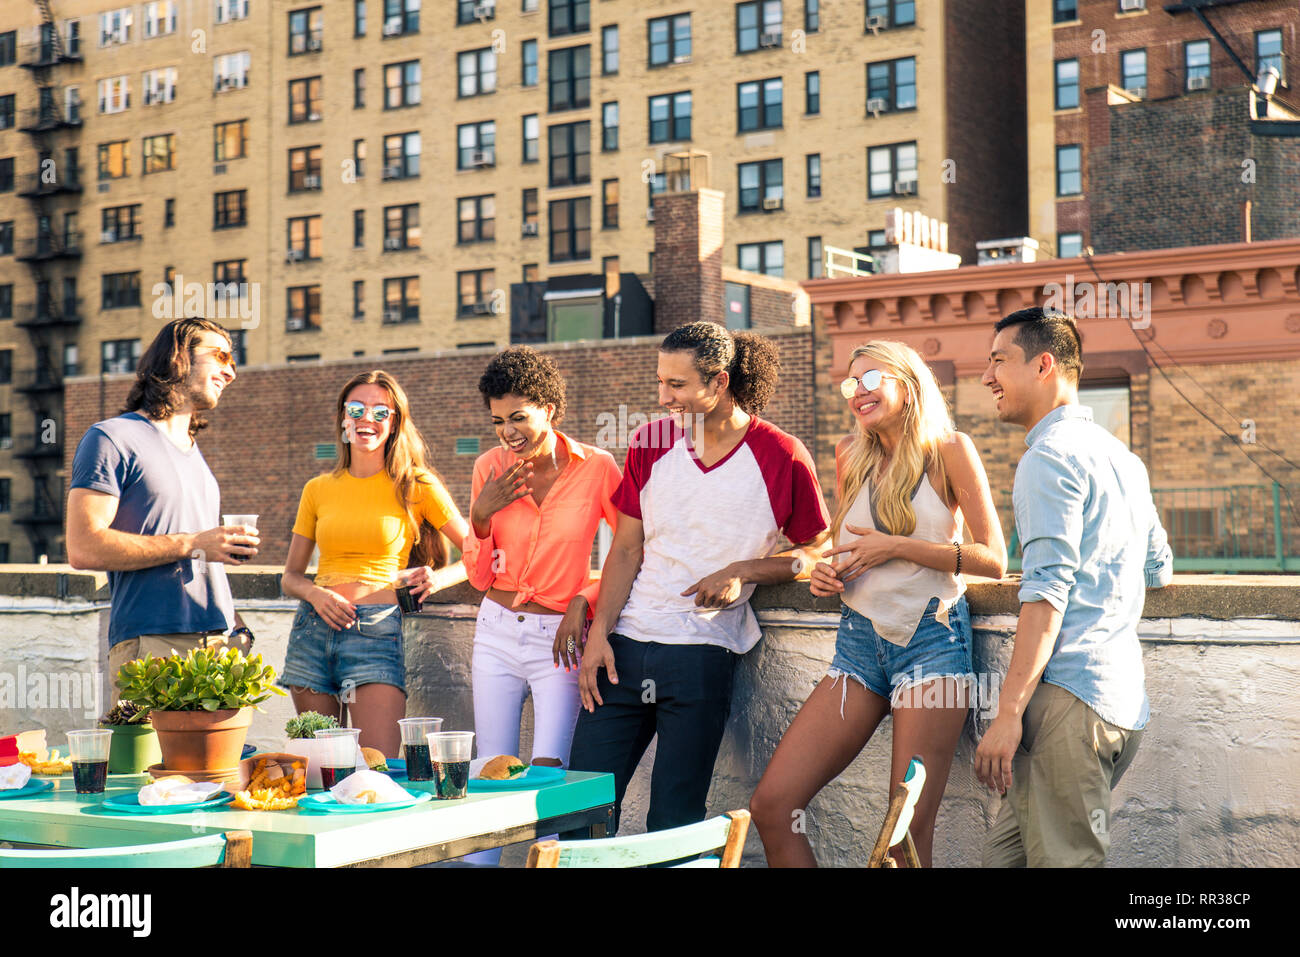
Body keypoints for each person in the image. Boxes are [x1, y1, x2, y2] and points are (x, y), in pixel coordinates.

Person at [750, 340, 1007, 867]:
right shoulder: (851, 454)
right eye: (850, 383)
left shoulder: (949, 450)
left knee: (904, 836)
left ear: (908, 384)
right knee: (773, 806)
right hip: (857, 647)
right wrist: (828, 570)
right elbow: (846, 546)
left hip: (932, 646)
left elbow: (994, 559)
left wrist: (896, 546)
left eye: (871, 380)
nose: (857, 393)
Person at [570, 321, 830, 836]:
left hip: (702, 653)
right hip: (623, 647)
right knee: (581, 806)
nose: (664, 396)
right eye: (661, 382)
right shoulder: (649, 442)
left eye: (678, 385)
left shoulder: (781, 454)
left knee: (673, 817)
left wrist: (745, 570)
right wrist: (599, 633)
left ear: (719, 382)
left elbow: (815, 547)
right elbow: (626, 547)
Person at [976, 307, 1172, 867]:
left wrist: (1008, 713)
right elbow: (1160, 568)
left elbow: (1046, 594)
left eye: (998, 361)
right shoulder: (1123, 458)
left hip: (1071, 705)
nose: (987, 377)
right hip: (1118, 703)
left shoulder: (1048, 457)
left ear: (1044, 365)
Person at [280, 371, 468, 757]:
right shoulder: (317, 489)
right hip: (312, 630)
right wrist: (316, 595)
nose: (368, 418)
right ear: (343, 419)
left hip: (377, 631)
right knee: (319, 770)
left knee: (375, 769)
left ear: (395, 422)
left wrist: (437, 579)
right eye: (357, 409)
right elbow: (291, 577)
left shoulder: (416, 484)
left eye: (382, 411)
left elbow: (478, 552)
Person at [67, 318, 259, 679]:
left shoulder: (196, 456)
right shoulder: (112, 438)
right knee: (145, 740)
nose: (230, 372)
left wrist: (238, 628)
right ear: (179, 357)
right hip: (152, 646)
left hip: (220, 647)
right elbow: (83, 547)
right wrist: (192, 543)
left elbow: (202, 560)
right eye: (220, 356)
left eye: (233, 362)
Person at [462, 346, 622, 772]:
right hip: (495, 630)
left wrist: (583, 600)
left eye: (518, 417)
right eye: (498, 421)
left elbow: (631, 549)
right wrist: (480, 517)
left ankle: (547, 844)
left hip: (561, 639)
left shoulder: (597, 468)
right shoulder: (488, 468)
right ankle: (489, 844)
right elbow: (479, 578)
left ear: (548, 409)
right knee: (492, 769)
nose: (507, 432)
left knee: (551, 770)